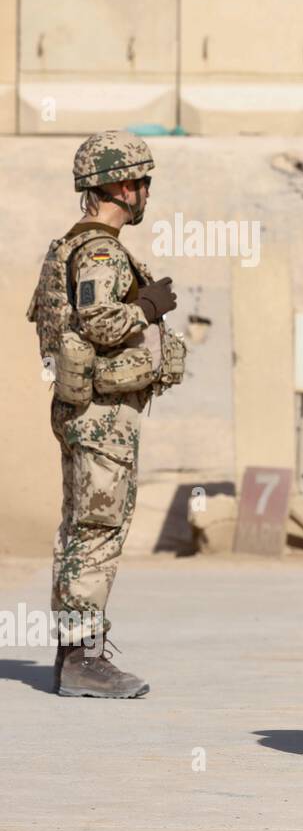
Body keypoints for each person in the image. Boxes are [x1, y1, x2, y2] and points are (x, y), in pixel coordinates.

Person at [28, 130, 186, 698]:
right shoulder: (99, 250)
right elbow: (98, 322)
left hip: (87, 413)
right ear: (122, 184)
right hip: (102, 418)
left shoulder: (68, 247)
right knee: (97, 532)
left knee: (83, 529)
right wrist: (145, 306)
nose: (146, 193)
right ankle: (82, 660)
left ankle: (78, 652)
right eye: (142, 182)